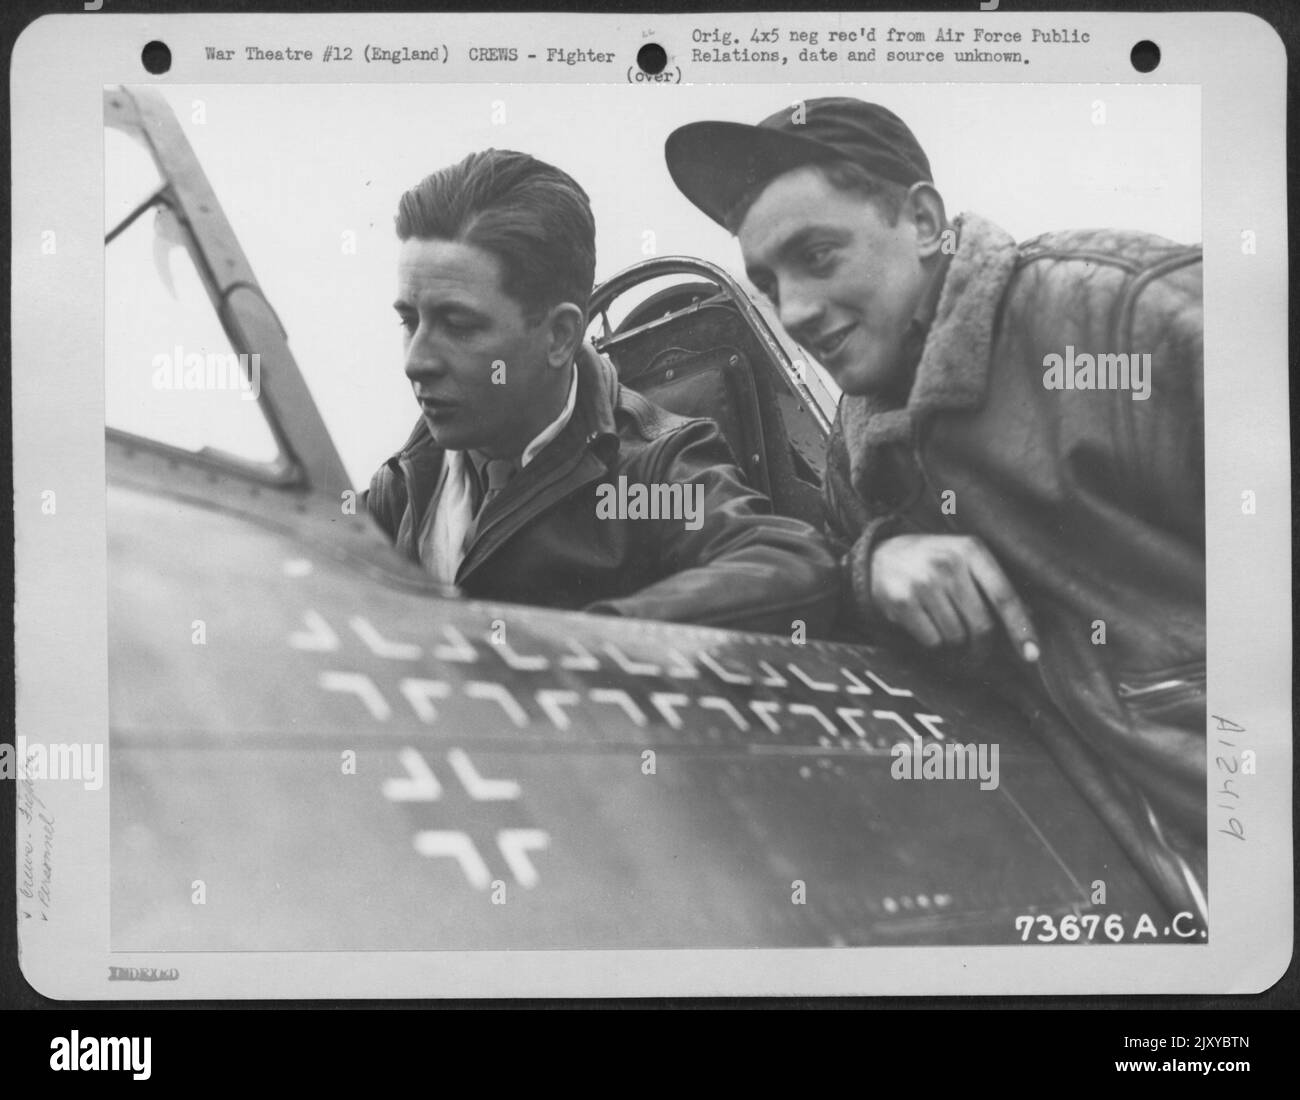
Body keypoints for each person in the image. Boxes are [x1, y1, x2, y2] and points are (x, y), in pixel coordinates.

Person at [665, 98, 1207, 920]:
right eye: (770, 283)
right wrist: (874, 561)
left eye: (817, 255)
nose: (796, 311)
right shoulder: (860, 432)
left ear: (922, 221)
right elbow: (839, 577)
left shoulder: (1124, 316)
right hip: (1137, 851)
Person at [365, 148, 840, 637]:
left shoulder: (638, 484)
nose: (416, 362)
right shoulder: (407, 484)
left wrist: (590, 641)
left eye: (457, 324)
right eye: (409, 321)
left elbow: (788, 563)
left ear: (559, 336)